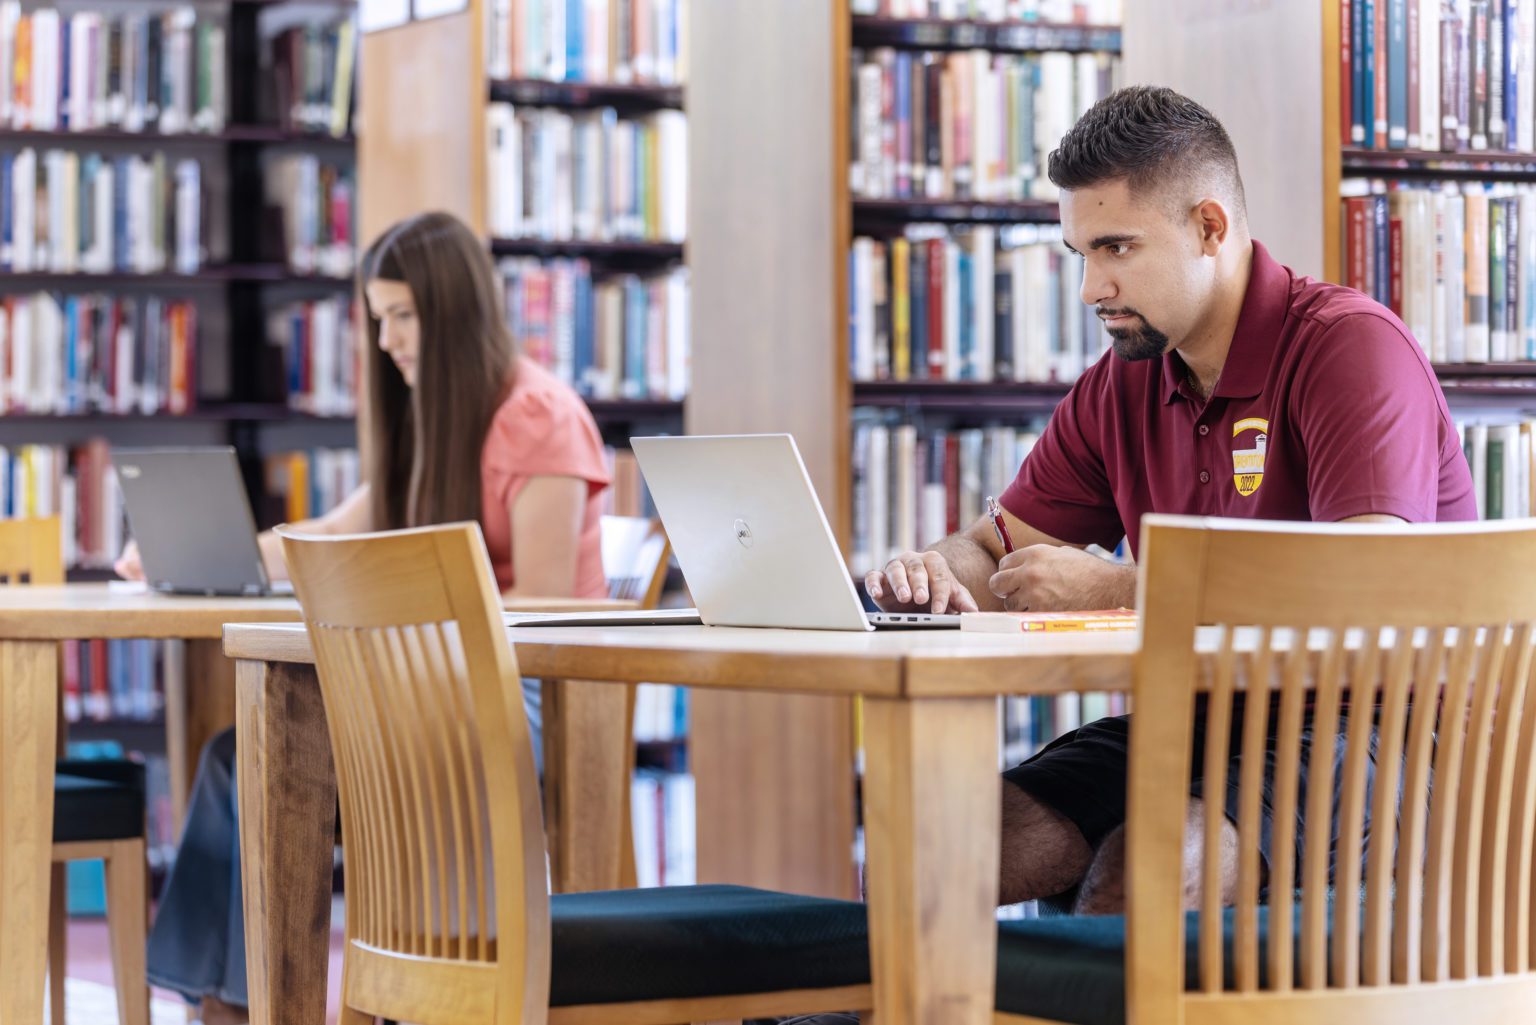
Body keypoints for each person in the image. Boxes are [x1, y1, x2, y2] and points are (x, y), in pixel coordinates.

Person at [865, 85, 1476, 918]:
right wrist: (935, 571)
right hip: (1199, 723)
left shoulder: (1349, 348)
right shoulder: (1124, 382)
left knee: (1145, 866)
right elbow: (993, 544)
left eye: (1116, 248)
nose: (1091, 287)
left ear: (1210, 228)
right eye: (1081, 252)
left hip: (1378, 734)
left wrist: (1121, 590)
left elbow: (1363, 587)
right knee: (945, 842)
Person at [122, 211, 612, 1024]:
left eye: (404, 316)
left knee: (268, 760)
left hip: (527, 693)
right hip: (436, 687)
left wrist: (403, 640)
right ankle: (231, 1003)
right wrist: (204, 556)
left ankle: (245, 1005)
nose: (389, 340)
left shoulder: (540, 417)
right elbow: (331, 536)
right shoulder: (429, 419)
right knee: (239, 757)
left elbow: (546, 606)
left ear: (453, 310)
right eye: (380, 319)